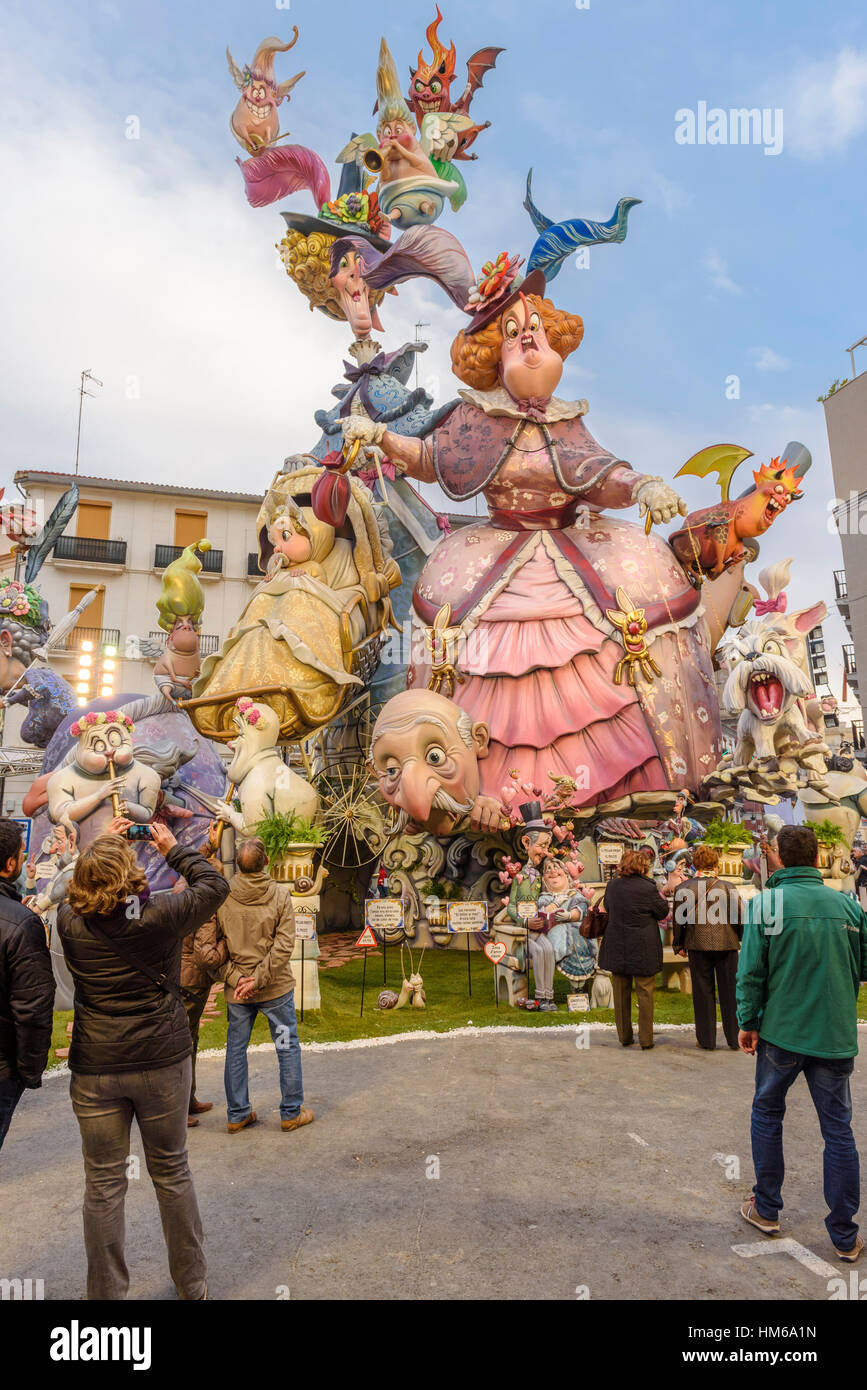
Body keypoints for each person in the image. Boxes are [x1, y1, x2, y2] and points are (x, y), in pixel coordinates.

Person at [57, 817, 229, 1300]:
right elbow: (214, 884)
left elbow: (80, 889)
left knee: (104, 1185)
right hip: (160, 1058)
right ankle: (191, 1283)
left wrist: (101, 847)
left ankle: (107, 1296)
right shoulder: (157, 914)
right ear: (130, 876)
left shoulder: (69, 921)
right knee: (171, 1171)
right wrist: (172, 847)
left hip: (97, 1065)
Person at [737, 824, 867, 1261]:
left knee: (768, 1114)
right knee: (838, 1131)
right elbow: (862, 967)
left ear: (778, 857)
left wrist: (747, 1020)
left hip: (782, 1032)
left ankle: (767, 1208)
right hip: (833, 1033)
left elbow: (751, 972)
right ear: (817, 858)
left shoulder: (767, 904)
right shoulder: (848, 907)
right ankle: (845, 1236)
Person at [215, 836, 313, 1134]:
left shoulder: (223, 894)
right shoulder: (280, 895)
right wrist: (258, 981)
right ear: (267, 862)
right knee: (286, 1047)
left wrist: (238, 980)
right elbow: (284, 947)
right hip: (275, 991)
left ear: (238, 865)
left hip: (238, 991)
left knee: (236, 1049)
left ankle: (237, 1114)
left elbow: (213, 947)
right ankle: (290, 1113)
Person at [0, 819, 54, 1151]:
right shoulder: (21, 924)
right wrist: (29, 1071)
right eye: (21, 852)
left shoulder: (18, 921)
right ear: (10, 865)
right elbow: (33, 1007)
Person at [672, 844, 742, 1050]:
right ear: (716, 863)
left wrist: (679, 945)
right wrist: (741, 938)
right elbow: (740, 918)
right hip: (727, 945)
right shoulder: (728, 887)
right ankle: (734, 1038)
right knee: (731, 994)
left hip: (697, 945)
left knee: (703, 993)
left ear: (694, 865)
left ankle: (706, 1040)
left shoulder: (683, 889)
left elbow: (679, 921)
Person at [598, 848, 669, 1048]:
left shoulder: (612, 886)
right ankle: (646, 1039)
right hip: (643, 946)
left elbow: (609, 908)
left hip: (618, 944)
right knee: (645, 993)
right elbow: (662, 912)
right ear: (644, 867)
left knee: (621, 994)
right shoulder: (648, 888)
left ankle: (624, 1037)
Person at [180, 912, 228, 1127]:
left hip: (176, 977)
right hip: (191, 981)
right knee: (184, 1044)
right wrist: (226, 944)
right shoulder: (204, 910)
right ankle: (179, 1107)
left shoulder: (174, 898)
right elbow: (207, 957)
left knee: (188, 1039)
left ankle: (188, 1100)